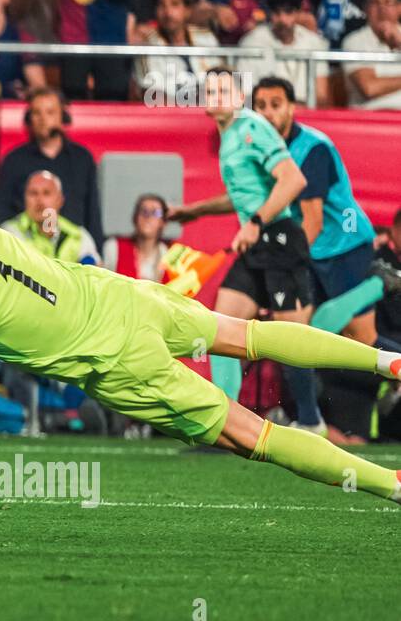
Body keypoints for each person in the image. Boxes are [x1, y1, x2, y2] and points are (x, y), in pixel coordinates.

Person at [0, 177, 401, 513]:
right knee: (249, 336)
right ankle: (387, 359)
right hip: (125, 297)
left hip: (118, 361)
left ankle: (393, 486)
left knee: (251, 436)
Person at [169, 69, 325, 433]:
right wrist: (194, 211)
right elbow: (245, 195)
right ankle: (224, 425)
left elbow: (293, 180)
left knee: (292, 339)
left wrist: (254, 222)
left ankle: (311, 420)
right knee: (221, 327)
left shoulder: (251, 127)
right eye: (210, 91)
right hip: (259, 246)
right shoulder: (230, 137)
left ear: (240, 97)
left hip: (280, 241)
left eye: (225, 89)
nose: (217, 96)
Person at [253, 76, 384, 350]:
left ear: (291, 107)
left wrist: (286, 267)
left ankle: (380, 284)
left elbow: (313, 221)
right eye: (260, 105)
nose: (267, 112)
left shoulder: (312, 149)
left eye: (275, 104)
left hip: (345, 244)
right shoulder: (262, 150)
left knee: (362, 338)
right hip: (310, 249)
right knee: (299, 334)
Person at [0, 87, 103, 246]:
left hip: (72, 253)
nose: (43, 119)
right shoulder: (14, 160)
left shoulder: (82, 158)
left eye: (50, 112)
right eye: (37, 113)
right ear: (29, 118)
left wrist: (95, 251)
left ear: (63, 116)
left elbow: (93, 212)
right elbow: (1, 213)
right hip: (26, 253)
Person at [235, 0, 331, 106]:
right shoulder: (251, 43)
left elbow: (321, 96)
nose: (282, 20)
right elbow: (245, 95)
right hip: (263, 115)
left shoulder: (314, 42)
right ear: (269, 13)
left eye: (288, 12)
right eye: (276, 13)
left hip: (306, 115)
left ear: (298, 13)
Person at [134, 0, 221, 105]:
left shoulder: (206, 38)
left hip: (211, 111)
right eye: (161, 5)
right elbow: (152, 95)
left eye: (175, 4)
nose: (168, 12)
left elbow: (223, 80)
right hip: (170, 118)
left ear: (187, 11)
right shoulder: (148, 45)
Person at [0, 170, 100, 264]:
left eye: (46, 193)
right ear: (25, 199)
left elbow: (94, 273)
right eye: (33, 193)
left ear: (60, 200)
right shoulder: (9, 233)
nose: (39, 200)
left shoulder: (78, 236)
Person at [341, 0, 401, 110]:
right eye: (375, 2)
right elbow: (369, 88)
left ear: (399, 7)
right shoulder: (354, 41)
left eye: (388, 2)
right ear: (365, 8)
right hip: (369, 121)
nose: (382, 9)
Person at [102, 192, 169, 280]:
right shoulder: (114, 247)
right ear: (135, 218)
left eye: (156, 213)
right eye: (143, 211)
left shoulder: (167, 254)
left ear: (163, 222)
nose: (148, 217)